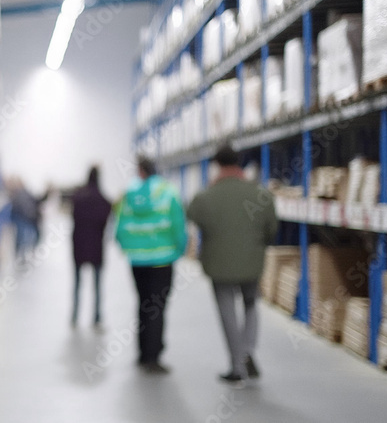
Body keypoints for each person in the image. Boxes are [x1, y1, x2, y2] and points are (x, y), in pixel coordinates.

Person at [187, 144, 278, 385]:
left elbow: (193, 218)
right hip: (251, 262)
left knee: (227, 311)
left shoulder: (206, 197)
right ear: (240, 163)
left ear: (216, 164)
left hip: (219, 263)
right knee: (250, 304)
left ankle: (237, 365)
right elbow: (271, 229)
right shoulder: (260, 194)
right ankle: (247, 350)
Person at [115, 156, 187, 374]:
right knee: (157, 307)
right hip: (162, 260)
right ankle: (153, 357)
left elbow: (119, 227)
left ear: (140, 171)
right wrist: (178, 250)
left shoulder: (128, 194)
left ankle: (142, 353)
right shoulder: (168, 192)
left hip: (137, 260)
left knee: (143, 304)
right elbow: (178, 226)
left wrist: (129, 247)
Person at [70, 166, 112, 327]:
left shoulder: (78, 197)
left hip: (79, 246)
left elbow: (74, 214)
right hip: (96, 248)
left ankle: (74, 316)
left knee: (77, 284)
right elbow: (107, 215)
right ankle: (97, 318)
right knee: (97, 286)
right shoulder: (102, 200)